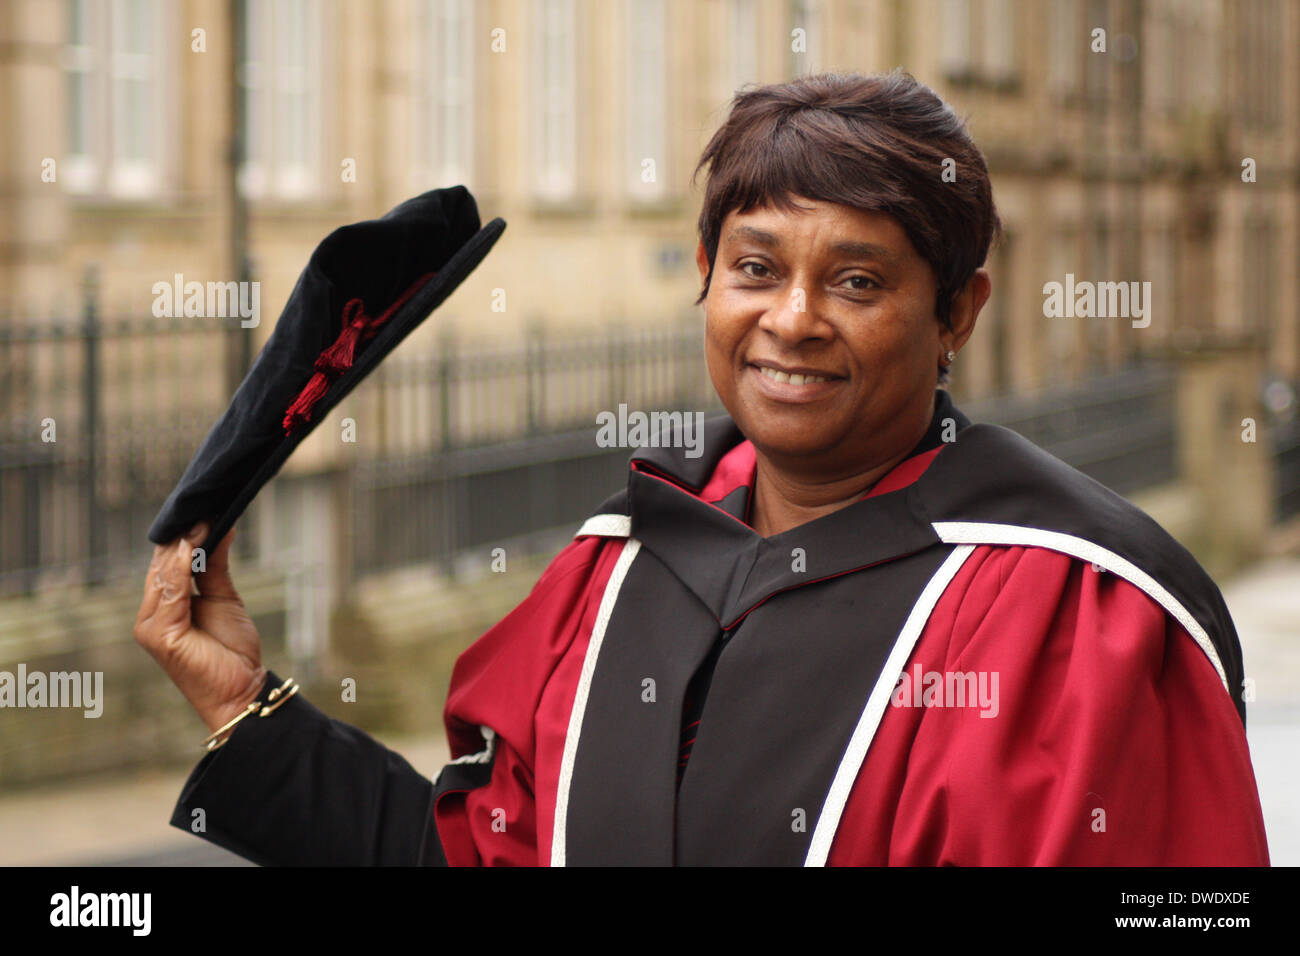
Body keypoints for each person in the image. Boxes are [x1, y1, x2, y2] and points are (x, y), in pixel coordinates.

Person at [134, 70, 1270, 866]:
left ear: (956, 312)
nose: (794, 318)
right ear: (703, 275)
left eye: (859, 281)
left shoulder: (1085, 613)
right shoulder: (614, 572)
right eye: (756, 266)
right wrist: (251, 710)